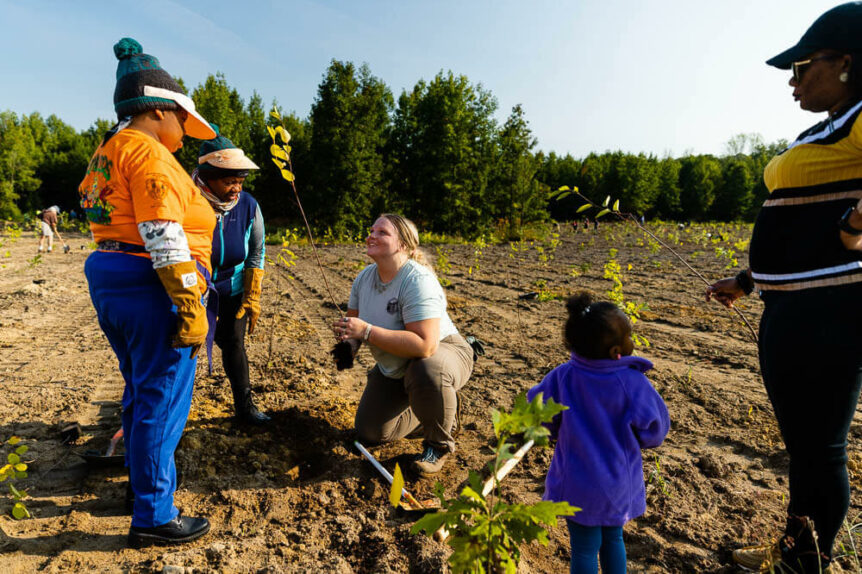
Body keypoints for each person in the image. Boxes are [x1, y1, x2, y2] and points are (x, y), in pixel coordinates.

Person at [706, 4, 862, 571]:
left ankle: (803, 564)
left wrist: (854, 228)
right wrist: (750, 280)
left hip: (832, 311)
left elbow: (833, 234)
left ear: (845, 61)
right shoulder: (828, 128)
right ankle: (796, 550)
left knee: (820, 449)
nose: (792, 83)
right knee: (804, 447)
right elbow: (802, 231)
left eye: (801, 67)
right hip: (792, 308)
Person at [78, 37, 217, 548]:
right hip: (152, 283)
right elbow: (162, 233)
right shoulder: (149, 156)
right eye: (181, 119)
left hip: (112, 274)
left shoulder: (108, 151)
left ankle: (141, 490)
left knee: (139, 390)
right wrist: (187, 304)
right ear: (159, 110)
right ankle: (155, 516)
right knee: (162, 398)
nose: (184, 132)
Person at [527, 293, 669, 574]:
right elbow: (655, 428)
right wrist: (638, 439)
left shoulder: (563, 376)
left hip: (575, 485)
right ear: (616, 351)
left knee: (583, 550)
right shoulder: (631, 382)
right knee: (613, 539)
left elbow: (538, 415)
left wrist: (551, 430)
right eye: (630, 336)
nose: (633, 341)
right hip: (615, 485)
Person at [333, 214, 473, 475]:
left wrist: (366, 331)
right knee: (371, 432)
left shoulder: (417, 280)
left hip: (443, 351)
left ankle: (438, 445)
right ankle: (438, 412)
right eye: (371, 229)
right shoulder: (364, 279)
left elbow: (424, 346)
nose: (371, 235)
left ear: (404, 245)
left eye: (382, 232)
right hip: (396, 363)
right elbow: (354, 324)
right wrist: (348, 344)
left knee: (427, 370)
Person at [192, 126, 270, 425]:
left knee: (234, 344)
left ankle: (245, 408)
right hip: (196, 289)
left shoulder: (248, 206)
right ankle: (170, 413)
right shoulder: (188, 201)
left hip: (234, 288)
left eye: (239, 181)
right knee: (186, 348)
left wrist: (251, 294)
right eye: (229, 181)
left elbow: (256, 251)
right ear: (208, 179)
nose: (236, 188)